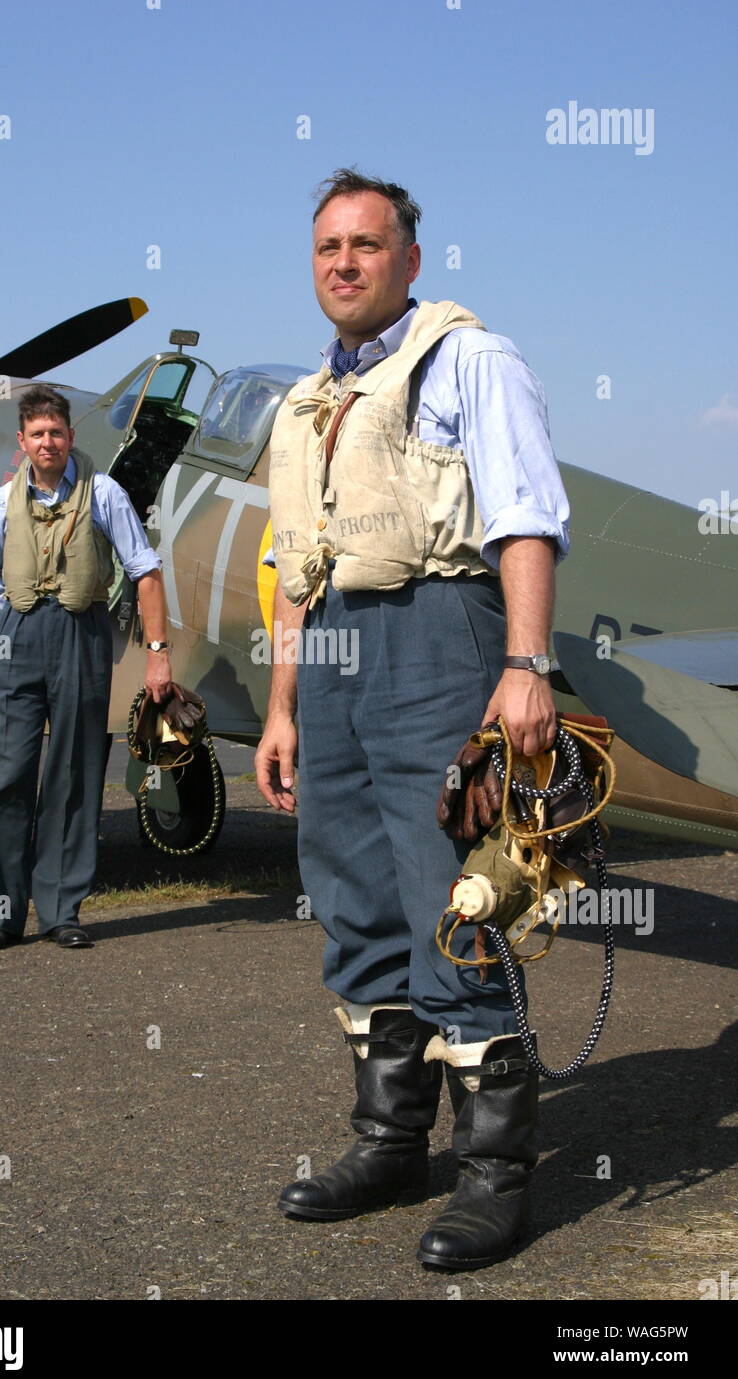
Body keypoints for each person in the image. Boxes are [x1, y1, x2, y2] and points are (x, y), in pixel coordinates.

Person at [255, 169, 570, 1271]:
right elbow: (297, 568)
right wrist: (284, 707)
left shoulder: (465, 358)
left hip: (440, 637)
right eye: (326, 247)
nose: (342, 262)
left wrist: (524, 665)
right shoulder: (309, 401)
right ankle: (389, 1142)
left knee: (456, 893)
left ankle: (492, 1174)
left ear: (408, 260)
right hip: (335, 653)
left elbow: (524, 514)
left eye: (364, 244)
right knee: (349, 893)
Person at [0, 384, 172, 950]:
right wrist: (21, 614)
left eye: (56, 432)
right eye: (37, 434)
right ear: (23, 442)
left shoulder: (104, 493)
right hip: (19, 636)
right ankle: (1, 915)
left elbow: (145, 570)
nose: (48, 442)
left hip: (82, 633)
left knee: (74, 773)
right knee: (4, 777)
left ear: (70, 437)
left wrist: (158, 654)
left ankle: (62, 912)